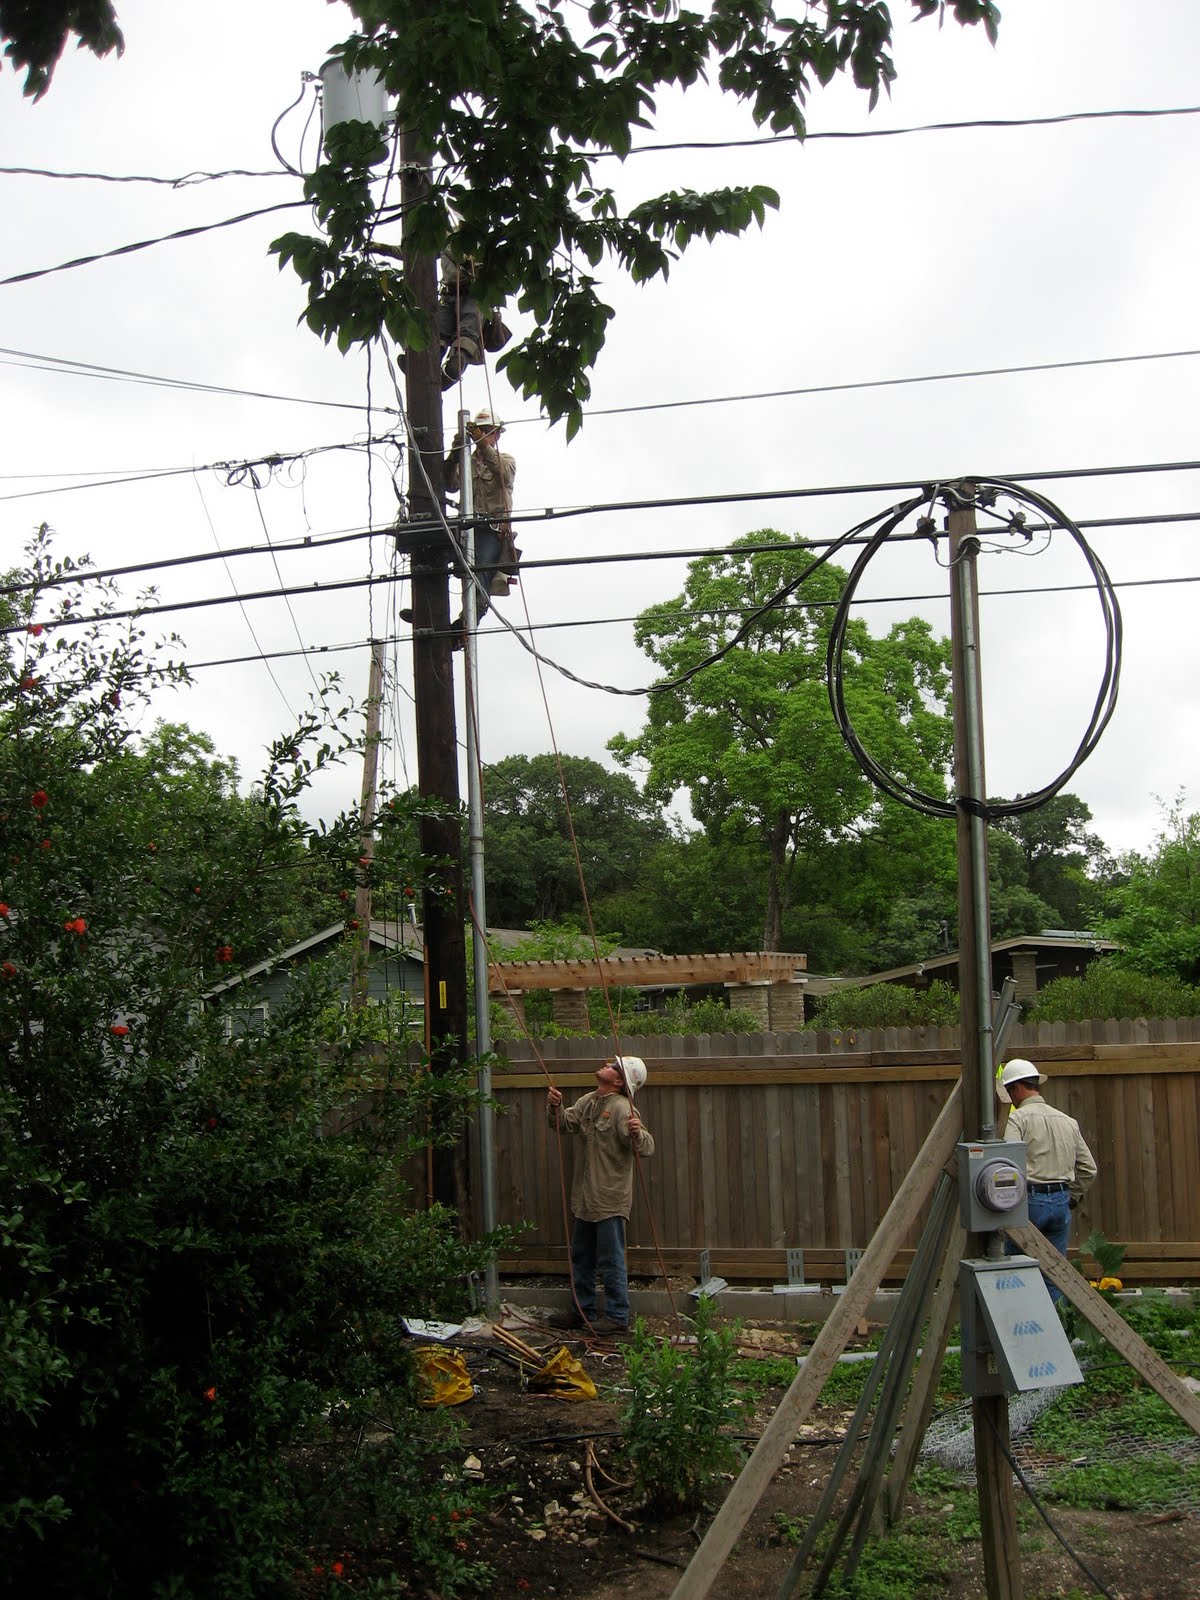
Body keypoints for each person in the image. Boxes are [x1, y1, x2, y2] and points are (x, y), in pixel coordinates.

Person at [545, 1055, 654, 1334]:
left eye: (612, 1065)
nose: (606, 1064)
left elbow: (646, 1147)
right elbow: (563, 1125)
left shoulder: (621, 1108)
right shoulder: (589, 1102)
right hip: (585, 1199)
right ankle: (584, 1311)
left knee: (611, 1259)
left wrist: (635, 1134)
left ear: (618, 1081)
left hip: (609, 1200)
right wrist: (554, 1107)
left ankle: (617, 1317)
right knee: (582, 1256)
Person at [998, 1057, 1098, 1301]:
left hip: (1029, 1202)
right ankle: (1056, 1329)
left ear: (1016, 1088)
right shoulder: (1067, 1121)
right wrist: (1070, 1198)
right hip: (1061, 1202)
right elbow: (1088, 1168)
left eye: (1009, 1092)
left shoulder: (1016, 1119)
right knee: (1055, 1274)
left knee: (1019, 1270)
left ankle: (1022, 1330)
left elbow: (1009, 1163)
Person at [443, 410, 518, 639]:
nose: (483, 436)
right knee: (432, 556)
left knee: (478, 579)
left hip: (491, 532)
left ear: (496, 435)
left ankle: (464, 628)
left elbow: (503, 473)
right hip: (466, 527)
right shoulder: (467, 463)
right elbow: (449, 484)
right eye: (480, 431)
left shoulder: (506, 461)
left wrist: (480, 443)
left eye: (487, 432)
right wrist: (455, 455)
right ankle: (427, 609)